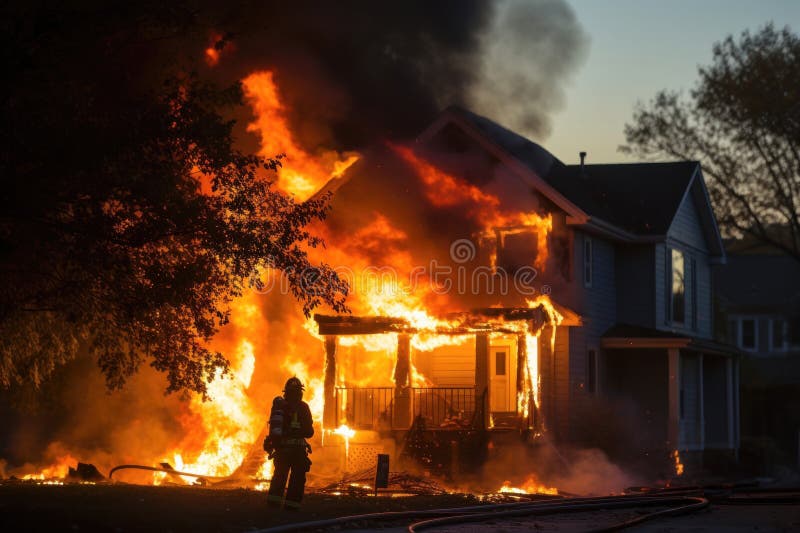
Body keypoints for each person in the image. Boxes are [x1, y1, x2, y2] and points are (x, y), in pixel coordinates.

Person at [266, 377, 314, 509]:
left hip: (282, 450)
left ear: (285, 391)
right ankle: (291, 507)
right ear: (300, 392)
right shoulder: (303, 407)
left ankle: (273, 505)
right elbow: (310, 432)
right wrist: (299, 431)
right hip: (298, 452)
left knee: (279, 477)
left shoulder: (279, 406)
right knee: (297, 480)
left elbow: (274, 428)